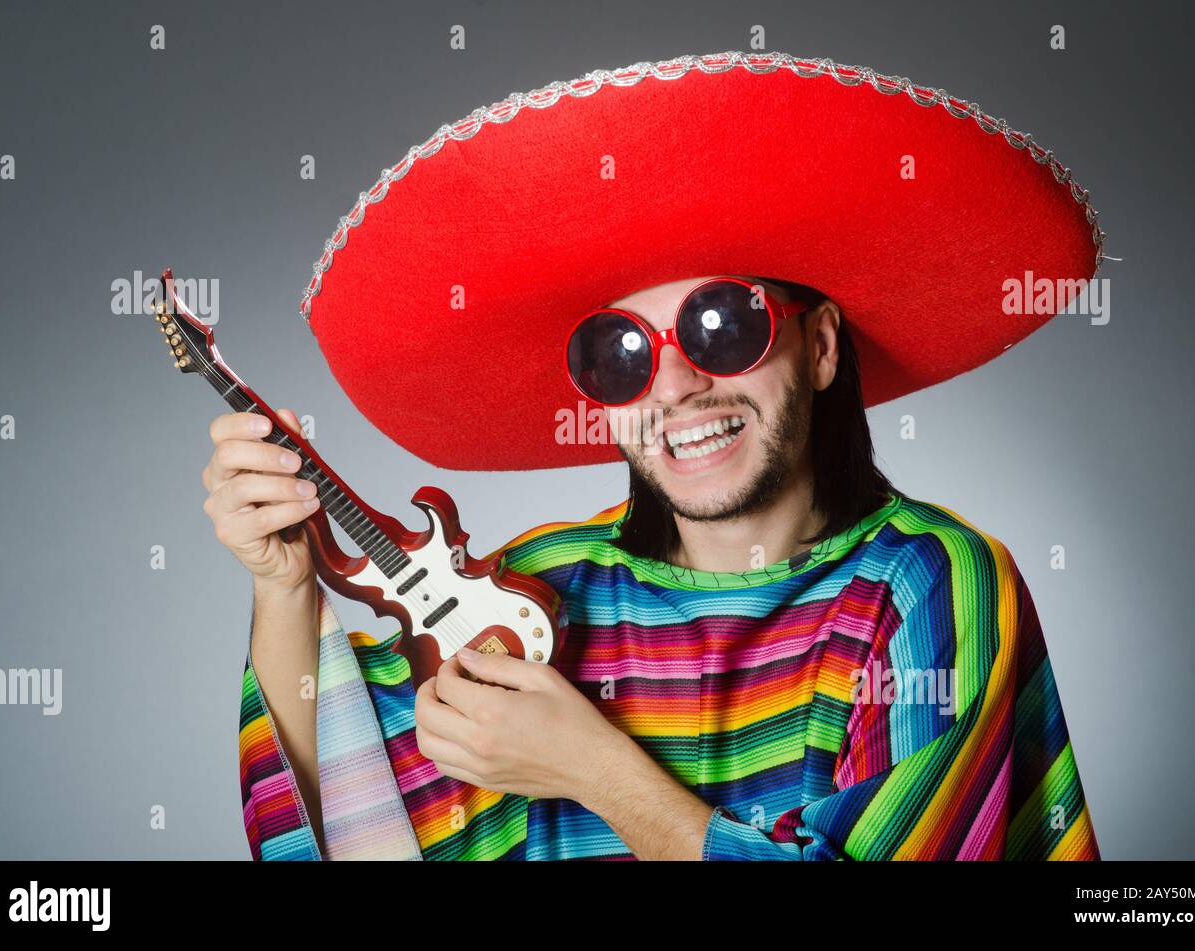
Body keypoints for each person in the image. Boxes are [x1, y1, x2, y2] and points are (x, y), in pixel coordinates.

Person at [209, 51, 1106, 860]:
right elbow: (358, 817)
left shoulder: (928, 583)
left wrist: (596, 771)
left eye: (725, 326)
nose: (675, 388)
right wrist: (285, 585)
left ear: (822, 346)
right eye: (622, 354)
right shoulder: (534, 595)